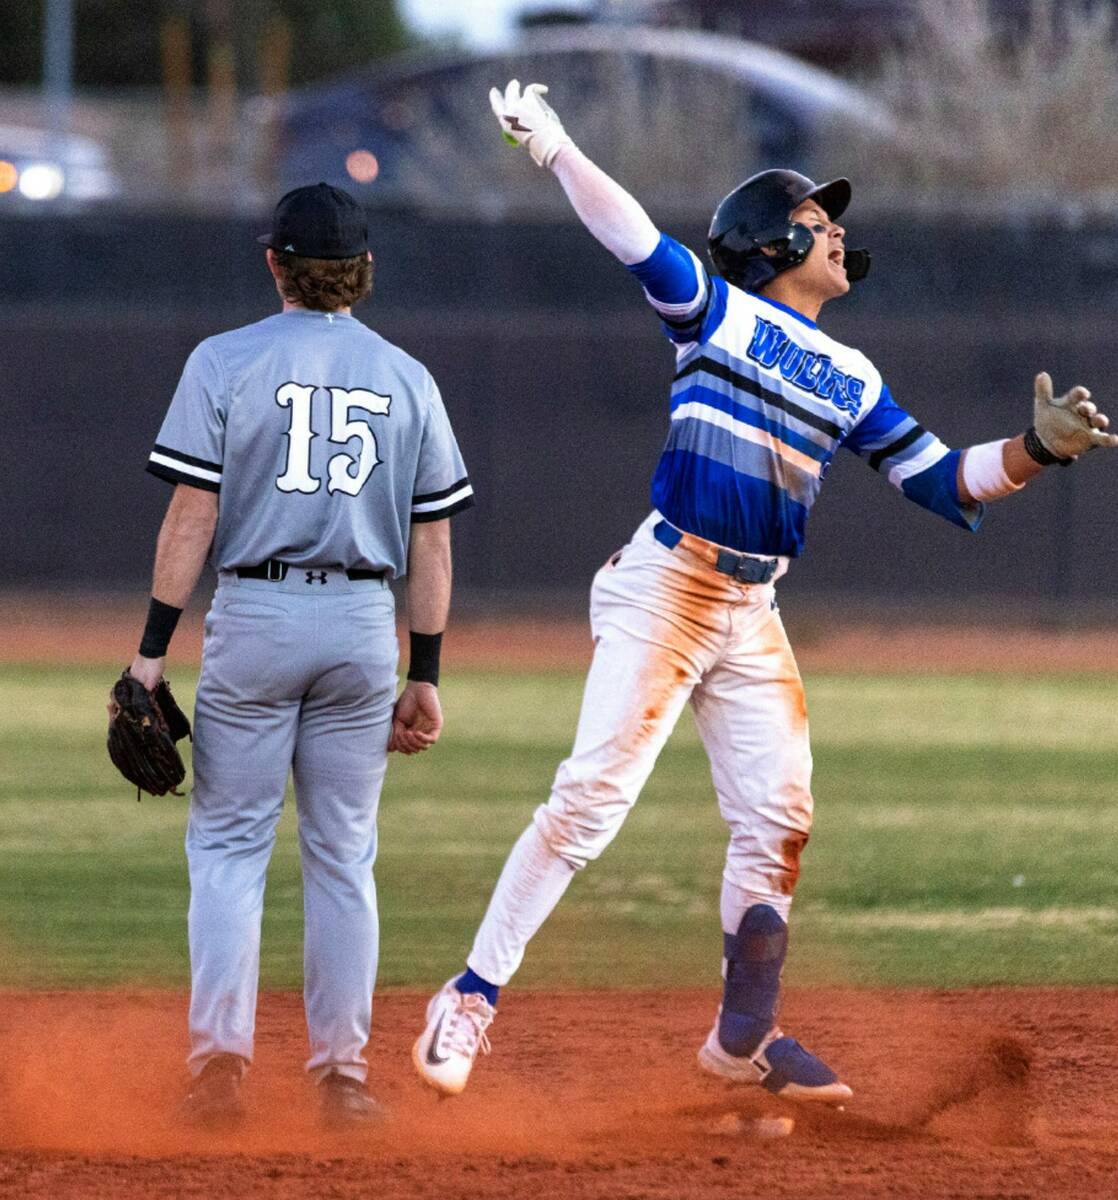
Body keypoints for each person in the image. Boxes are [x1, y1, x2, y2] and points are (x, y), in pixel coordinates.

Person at [412, 81, 1116, 1104]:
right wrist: (555, 148)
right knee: (589, 804)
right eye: (817, 220)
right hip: (668, 584)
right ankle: (469, 996)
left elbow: (938, 478)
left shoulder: (851, 374)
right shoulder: (717, 314)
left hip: (750, 610)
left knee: (778, 817)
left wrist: (1032, 452)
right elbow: (632, 237)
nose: (837, 232)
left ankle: (740, 1040)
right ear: (773, 242)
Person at [125, 182, 474, 1129]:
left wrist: (151, 655)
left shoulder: (223, 360)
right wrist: (425, 672)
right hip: (362, 623)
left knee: (229, 850)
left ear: (275, 263)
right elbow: (433, 540)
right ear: (365, 270)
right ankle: (342, 1080)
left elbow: (191, 513)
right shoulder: (408, 376)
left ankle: (218, 1071)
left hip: (258, 613)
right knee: (343, 857)